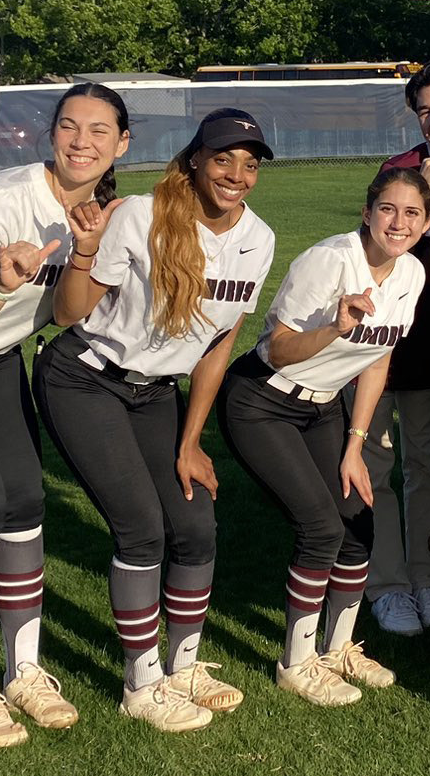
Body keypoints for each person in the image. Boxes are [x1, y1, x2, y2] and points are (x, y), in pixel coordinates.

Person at [35, 109, 276, 734]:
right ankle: (142, 684)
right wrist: (85, 250)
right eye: (223, 158)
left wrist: (191, 441)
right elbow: (68, 313)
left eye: (250, 164)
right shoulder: (141, 216)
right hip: (85, 376)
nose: (237, 174)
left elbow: (220, 344)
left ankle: (184, 666)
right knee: (142, 528)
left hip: (155, 393)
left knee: (195, 523)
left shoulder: (259, 238)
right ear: (196, 159)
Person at [0, 83, 128, 748]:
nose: (81, 141)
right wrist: (3, 284)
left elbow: (65, 312)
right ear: (51, 133)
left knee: (27, 503)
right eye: (69, 126)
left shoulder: (98, 213)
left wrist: (87, 249)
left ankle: (24, 670)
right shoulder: (10, 199)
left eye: (99, 131)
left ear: (122, 144)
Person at [218, 169, 430, 706]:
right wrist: (335, 328)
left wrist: (356, 443)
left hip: (324, 408)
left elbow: (378, 358)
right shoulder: (330, 260)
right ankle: (297, 661)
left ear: (428, 222)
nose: (398, 222)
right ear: (367, 211)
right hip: (263, 400)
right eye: (388, 208)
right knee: (319, 527)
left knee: (358, 518)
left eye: (412, 213)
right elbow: (277, 351)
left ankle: (337, 647)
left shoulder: (410, 272)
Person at [361, 57, 430, 636]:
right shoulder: (401, 169)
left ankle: (428, 574)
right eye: (425, 110)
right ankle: (386, 583)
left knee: (426, 463)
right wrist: (421, 191)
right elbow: (374, 244)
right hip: (382, 337)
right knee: (375, 461)